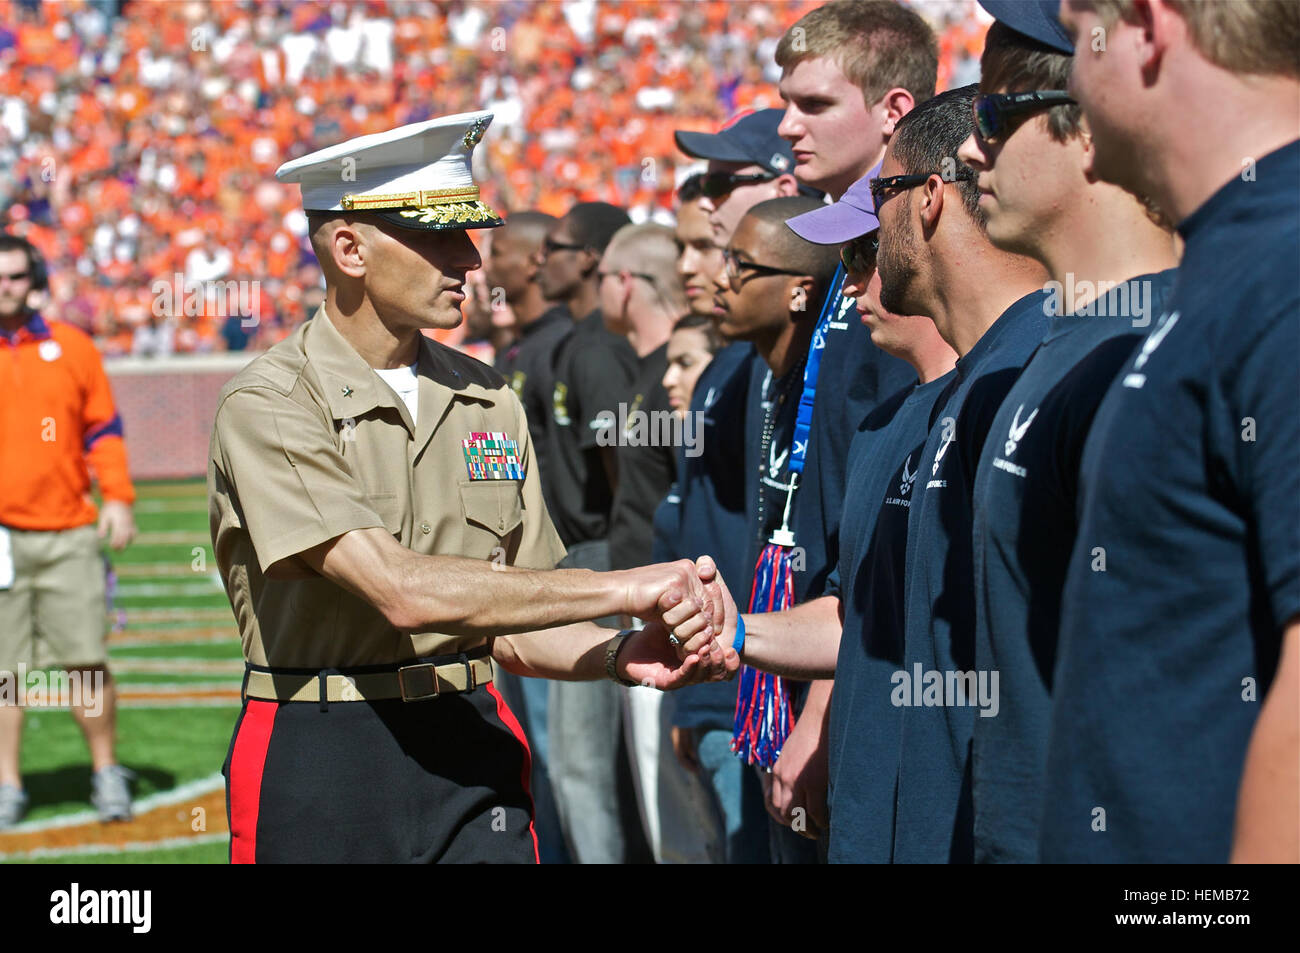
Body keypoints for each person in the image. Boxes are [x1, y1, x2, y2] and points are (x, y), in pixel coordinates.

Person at [211, 113, 737, 864]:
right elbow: (401, 591)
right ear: (350, 248)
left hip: (470, 744)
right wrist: (625, 585)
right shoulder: (270, 404)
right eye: (434, 238)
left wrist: (619, 653)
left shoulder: (489, 397)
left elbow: (517, 623)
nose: (468, 260)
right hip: (325, 749)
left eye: (466, 236)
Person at [1043, 0, 1299, 863]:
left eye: (1080, 37)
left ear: (1147, 29)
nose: (1072, 79)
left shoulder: (1283, 270)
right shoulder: (1232, 259)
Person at [954, 0, 1179, 864]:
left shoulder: (1152, 354)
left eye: (991, 114)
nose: (971, 146)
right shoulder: (1053, 350)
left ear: (1084, 124)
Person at [762, 0, 935, 856]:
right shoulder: (844, 243)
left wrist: (822, 717)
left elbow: (885, 531)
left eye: (815, 104)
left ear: (894, 110)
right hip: (818, 644)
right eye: (785, 102)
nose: (787, 126)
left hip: (853, 665)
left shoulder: (903, 264)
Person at [873, 86, 1050, 864]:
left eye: (882, 193)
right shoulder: (972, 379)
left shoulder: (1036, 370)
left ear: (931, 198)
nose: (870, 228)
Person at [710, 195, 839, 861]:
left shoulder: (847, 379)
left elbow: (860, 581)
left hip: (823, 697)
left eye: (740, 266)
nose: (717, 278)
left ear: (799, 291)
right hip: (771, 675)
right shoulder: (760, 380)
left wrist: (816, 717)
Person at [0, 233, 138, 828]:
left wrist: (120, 499)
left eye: (13, 276)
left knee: (84, 661)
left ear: (34, 281)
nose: (4, 287)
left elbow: (103, 430)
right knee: (5, 674)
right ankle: (7, 783)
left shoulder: (74, 347)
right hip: (0, 538)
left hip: (67, 533)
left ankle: (106, 772)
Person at [533, 200, 649, 863]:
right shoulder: (574, 341)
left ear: (588, 259)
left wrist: (612, 574)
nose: (537, 259)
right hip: (584, 556)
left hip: (600, 555)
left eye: (553, 245)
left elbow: (620, 463)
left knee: (585, 766)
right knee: (573, 762)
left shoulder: (597, 348)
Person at [660, 172, 770, 863]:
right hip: (705, 690)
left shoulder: (758, 368)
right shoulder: (725, 374)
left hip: (747, 695)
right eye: (687, 247)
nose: (692, 266)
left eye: (709, 246)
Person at [598, 222, 715, 863]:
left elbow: (702, 499)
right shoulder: (652, 375)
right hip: (646, 607)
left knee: (688, 807)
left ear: (625, 282)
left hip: (681, 615)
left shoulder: (691, 375)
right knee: (660, 802)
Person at [484, 209, 572, 862]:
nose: (487, 266)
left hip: (554, 573)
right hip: (511, 579)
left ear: (536, 259)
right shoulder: (514, 351)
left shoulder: (559, 345)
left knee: (562, 759)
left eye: (500, 253)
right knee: (529, 748)